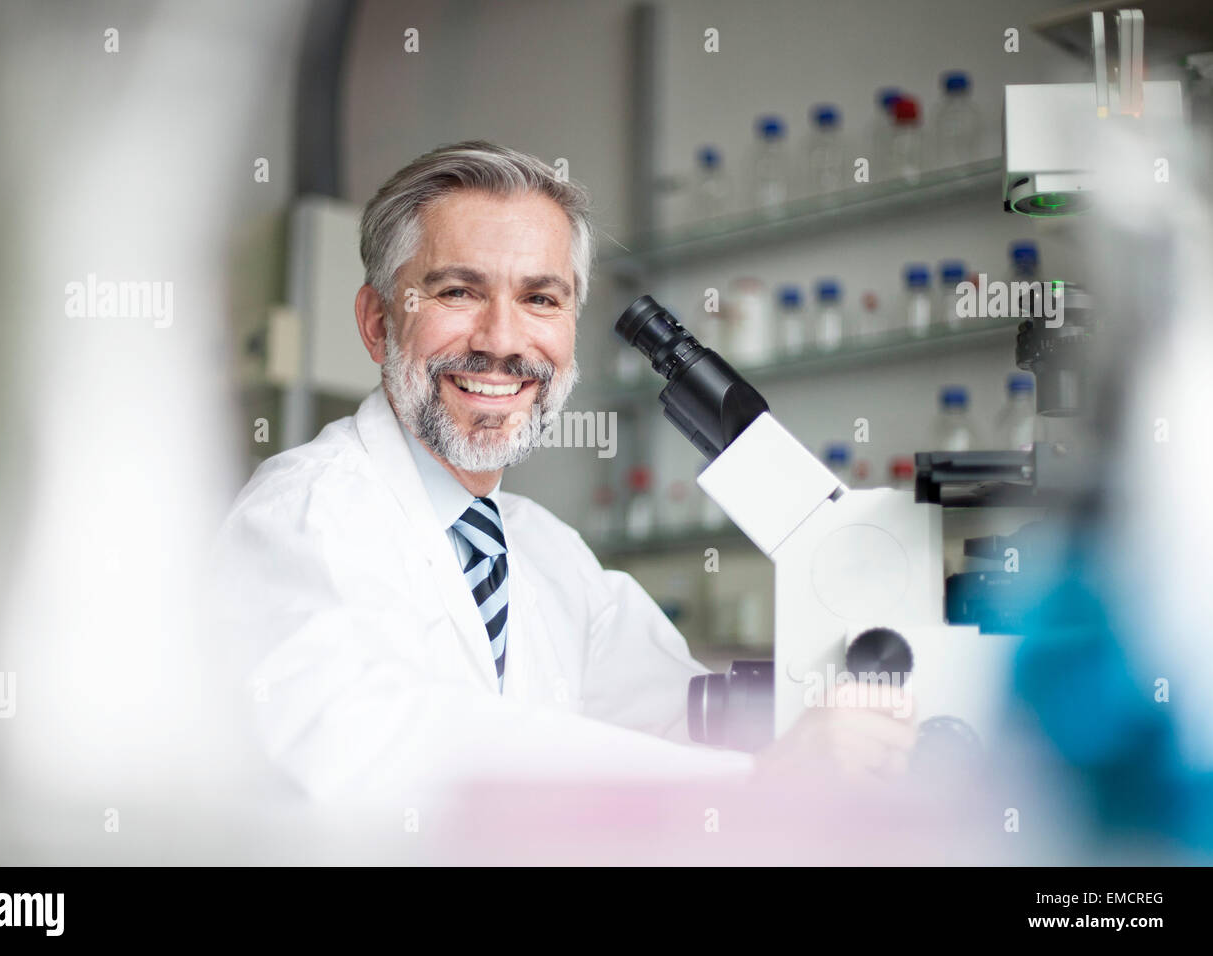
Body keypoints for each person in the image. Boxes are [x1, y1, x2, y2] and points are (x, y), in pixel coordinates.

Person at [212, 141, 913, 800]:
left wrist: (828, 727)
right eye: (458, 291)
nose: (503, 340)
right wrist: (751, 783)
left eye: (541, 299)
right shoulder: (306, 513)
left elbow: (678, 715)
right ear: (376, 322)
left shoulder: (548, 554)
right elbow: (365, 748)